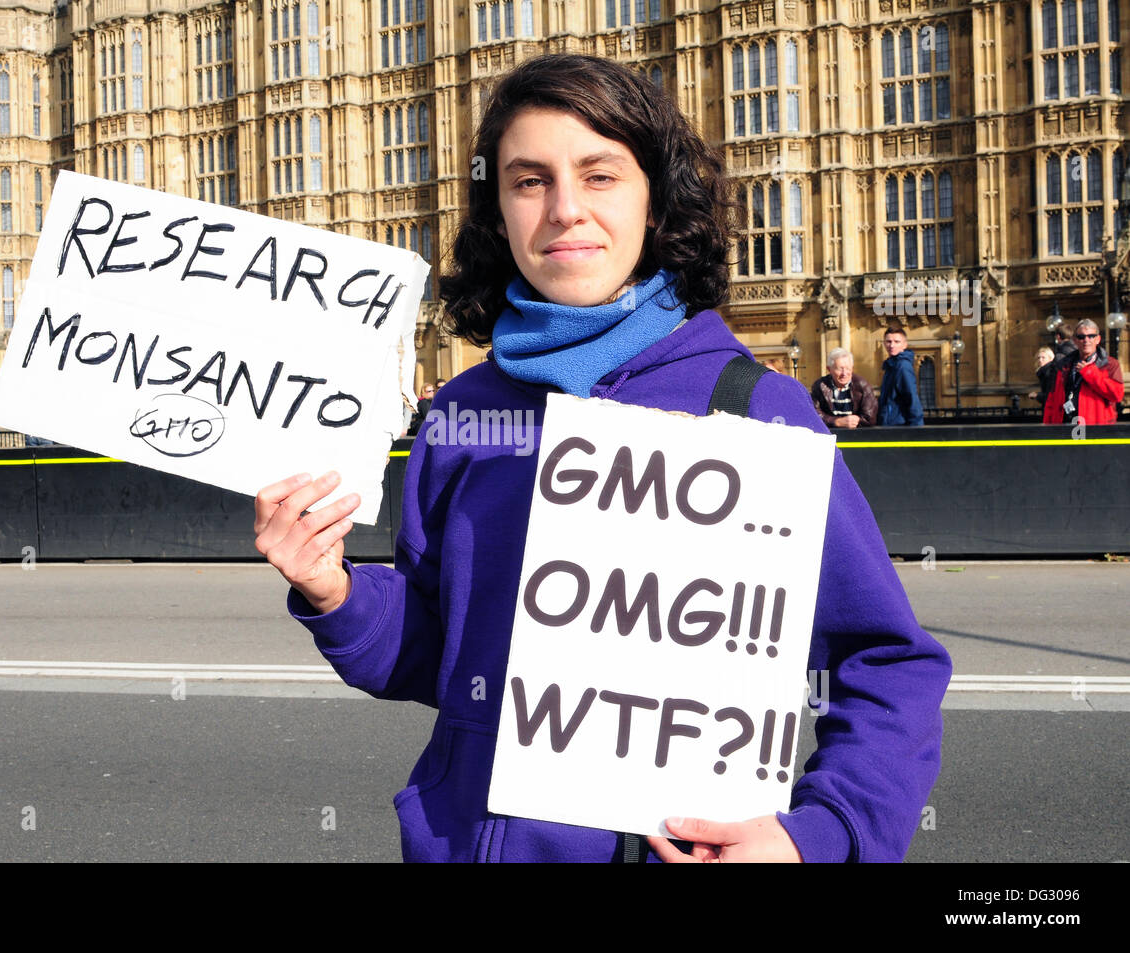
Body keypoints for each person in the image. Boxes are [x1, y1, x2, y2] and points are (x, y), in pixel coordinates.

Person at [253, 54, 949, 863]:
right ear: (500, 208)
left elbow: (887, 662)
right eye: (528, 181)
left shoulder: (756, 410)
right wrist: (334, 591)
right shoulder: (464, 415)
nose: (565, 210)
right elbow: (441, 648)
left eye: (600, 175)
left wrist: (815, 837)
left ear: (654, 199)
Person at [1042, 319, 1125, 424]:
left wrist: (1090, 373)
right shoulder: (1064, 364)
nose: (1086, 340)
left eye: (1091, 336)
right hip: (1064, 425)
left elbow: (1117, 394)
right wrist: (1048, 428)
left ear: (1098, 339)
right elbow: (1052, 400)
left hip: (1095, 428)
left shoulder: (1110, 364)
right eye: (1081, 337)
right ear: (1075, 340)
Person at [811, 348, 877, 429]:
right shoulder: (820, 386)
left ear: (852, 368)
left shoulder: (862, 385)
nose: (844, 373)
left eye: (848, 368)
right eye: (839, 369)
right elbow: (813, 413)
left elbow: (870, 418)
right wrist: (836, 422)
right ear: (829, 369)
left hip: (857, 435)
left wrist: (857, 421)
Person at [877, 326, 924, 426]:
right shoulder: (891, 366)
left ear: (904, 345)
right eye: (888, 341)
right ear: (884, 343)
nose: (892, 345)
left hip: (899, 426)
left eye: (896, 342)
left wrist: (917, 428)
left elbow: (911, 397)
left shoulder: (902, 366)